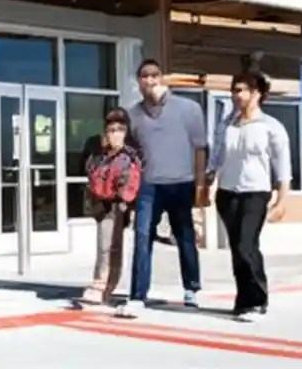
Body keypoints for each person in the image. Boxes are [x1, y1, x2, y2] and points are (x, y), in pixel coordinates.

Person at [119, 59, 209, 318]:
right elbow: (130, 152)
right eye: (144, 76)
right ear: (138, 82)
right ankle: (137, 295)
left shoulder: (188, 108)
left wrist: (200, 185)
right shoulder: (133, 114)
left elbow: (200, 148)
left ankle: (191, 288)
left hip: (182, 182)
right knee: (142, 235)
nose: (150, 81)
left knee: (185, 237)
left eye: (155, 75)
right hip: (149, 185)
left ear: (163, 79)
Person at [208, 68, 291, 322]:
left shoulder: (271, 127)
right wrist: (205, 183)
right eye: (234, 90)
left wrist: (282, 200)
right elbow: (216, 158)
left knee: (246, 245)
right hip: (227, 193)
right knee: (238, 248)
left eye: (241, 90)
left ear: (256, 94)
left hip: (256, 193)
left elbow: (283, 167)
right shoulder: (227, 126)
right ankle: (243, 299)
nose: (236, 95)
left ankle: (257, 300)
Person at [79, 107, 143, 307]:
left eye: (120, 129)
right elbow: (89, 171)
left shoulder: (129, 156)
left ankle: (104, 285)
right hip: (101, 203)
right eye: (111, 129)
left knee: (111, 247)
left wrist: (125, 201)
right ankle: (102, 284)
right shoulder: (98, 153)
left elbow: (132, 180)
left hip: (119, 204)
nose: (115, 133)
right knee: (105, 246)